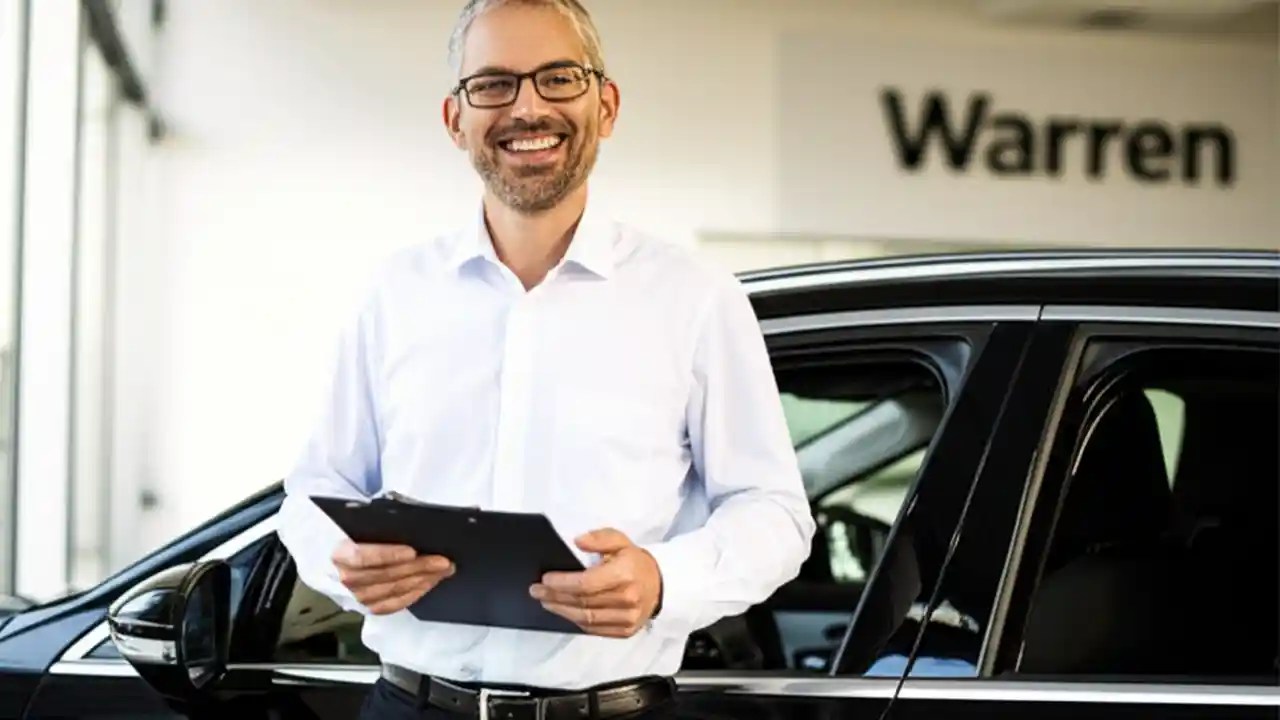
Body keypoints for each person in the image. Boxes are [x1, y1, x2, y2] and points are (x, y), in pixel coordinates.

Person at [276, 0, 815, 717]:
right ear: (454, 120)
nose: (528, 108)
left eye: (559, 78)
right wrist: (344, 567)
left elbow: (774, 513)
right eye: (494, 84)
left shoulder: (695, 297)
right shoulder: (395, 293)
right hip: (412, 706)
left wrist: (662, 578)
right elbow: (315, 491)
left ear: (607, 105)